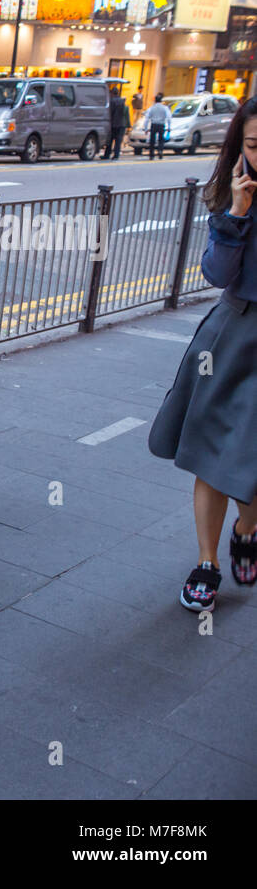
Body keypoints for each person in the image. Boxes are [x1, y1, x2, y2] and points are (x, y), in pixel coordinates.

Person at [148, 98, 257, 612]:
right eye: (254, 146)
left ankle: (248, 528)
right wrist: (237, 211)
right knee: (213, 454)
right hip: (232, 337)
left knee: (251, 456)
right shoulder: (234, 195)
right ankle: (207, 562)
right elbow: (215, 274)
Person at [101, 88, 129, 161]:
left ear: (112, 93)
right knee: (118, 141)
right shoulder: (122, 101)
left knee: (110, 140)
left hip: (113, 123)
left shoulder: (112, 101)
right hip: (121, 124)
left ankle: (107, 154)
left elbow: (110, 112)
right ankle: (116, 155)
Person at [145, 92, 171, 160]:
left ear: (155, 100)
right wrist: (169, 127)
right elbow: (169, 118)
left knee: (152, 140)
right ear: (161, 100)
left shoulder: (151, 108)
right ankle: (160, 150)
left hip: (153, 125)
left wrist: (146, 128)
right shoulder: (165, 108)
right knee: (161, 139)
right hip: (161, 125)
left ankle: (151, 154)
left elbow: (147, 119)